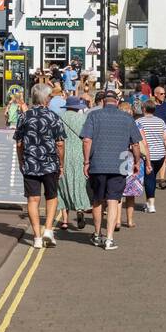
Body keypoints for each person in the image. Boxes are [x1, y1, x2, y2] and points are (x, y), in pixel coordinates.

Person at [81, 88, 142, 250]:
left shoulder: (93, 116)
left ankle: (96, 234)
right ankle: (109, 239)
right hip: (120, 163)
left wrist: (86, 162)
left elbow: (87, 140)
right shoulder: (127, 118)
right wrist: (137, 162)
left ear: (103, 102)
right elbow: (135, 144)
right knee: (113, 200)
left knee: (97, 200)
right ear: (116, 102)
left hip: (97, 163)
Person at [14, 83, 66, 249]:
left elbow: (19, 143)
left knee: (33, 199)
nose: (50, 99)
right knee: (51, 196)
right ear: (45, 98)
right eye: (50, 97)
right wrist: (61, 164)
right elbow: (60, 144)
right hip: (50, 163)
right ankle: (48, 230)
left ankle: (36, 237)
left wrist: (21, 160)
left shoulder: (24, 116)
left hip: (30, 163)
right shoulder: (53, 117)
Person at [56, 95, 91, 232]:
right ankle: (80, 208)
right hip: (79, 154)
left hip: (63, 154)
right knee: (79, 183)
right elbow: (87, 139)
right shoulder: (83, 119)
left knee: (63, 185)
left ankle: (64, 220)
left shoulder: (60, 118)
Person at [136, 101, 166, 213]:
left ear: (143, 109)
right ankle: (148, 203)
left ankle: (151, 204)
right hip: (160, 154)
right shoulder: (160, 121)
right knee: (151, 177)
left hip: (147, 155)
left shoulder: (138, 121)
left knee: (149, 179)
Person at [119, 101, 144, 228]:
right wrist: (138, 161)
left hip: (119, 157)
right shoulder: (133, 124)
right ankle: (129, 220)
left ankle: (117, 220)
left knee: (117, 192)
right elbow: (136, 145)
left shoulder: (116, 125)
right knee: (131, 193)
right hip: (130, 158)